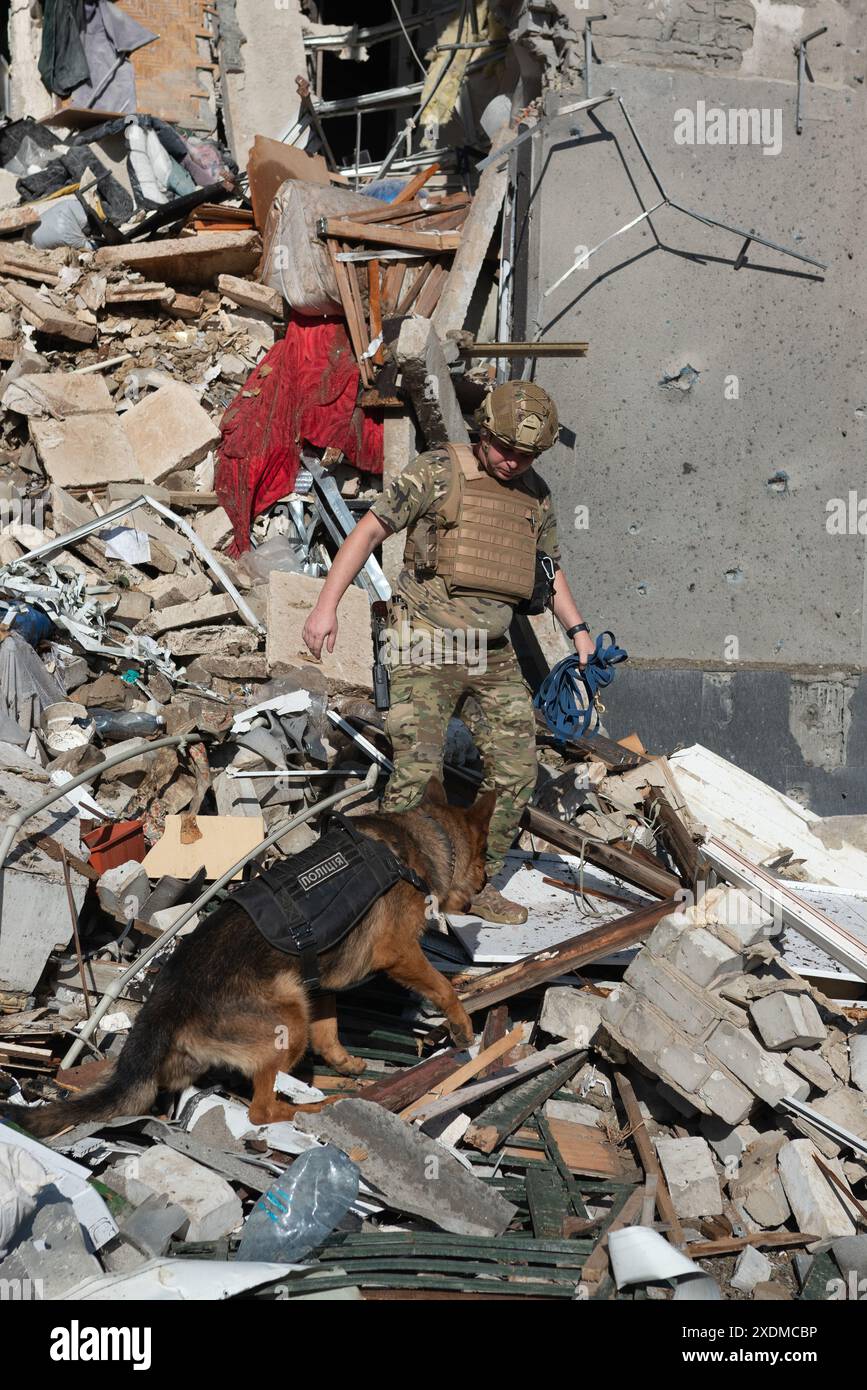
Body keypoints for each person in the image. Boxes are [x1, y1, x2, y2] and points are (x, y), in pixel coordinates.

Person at [302, 381, 595, 925]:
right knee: (418, 772)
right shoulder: (439, 470)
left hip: (491, 649)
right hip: (424, 641)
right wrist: (326, 607)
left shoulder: (536, 495)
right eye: (504, 447)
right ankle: (387, 888)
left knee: (515, 769)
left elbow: (549, 571)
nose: (512, 461)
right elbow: (369, 531)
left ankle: (474, 881)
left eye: (525, 454)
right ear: (483, 432)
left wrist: (578, 631)